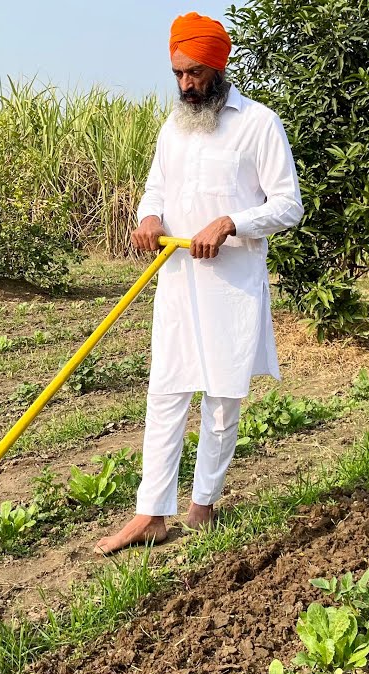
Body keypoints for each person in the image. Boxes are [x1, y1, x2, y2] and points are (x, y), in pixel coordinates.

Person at [94, 12, 303, 555]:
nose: (185, 85)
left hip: (231, 284)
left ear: (218, 67)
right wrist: (148, 219)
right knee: (165, 391)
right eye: (177, 74)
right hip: (179, 278)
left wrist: (233, 221)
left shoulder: (259, 124)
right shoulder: (173, 127)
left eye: (194, 74)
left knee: (222, 398)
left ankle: (203, 505)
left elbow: (288, 205)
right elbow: (155, 189)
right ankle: (151, 512)